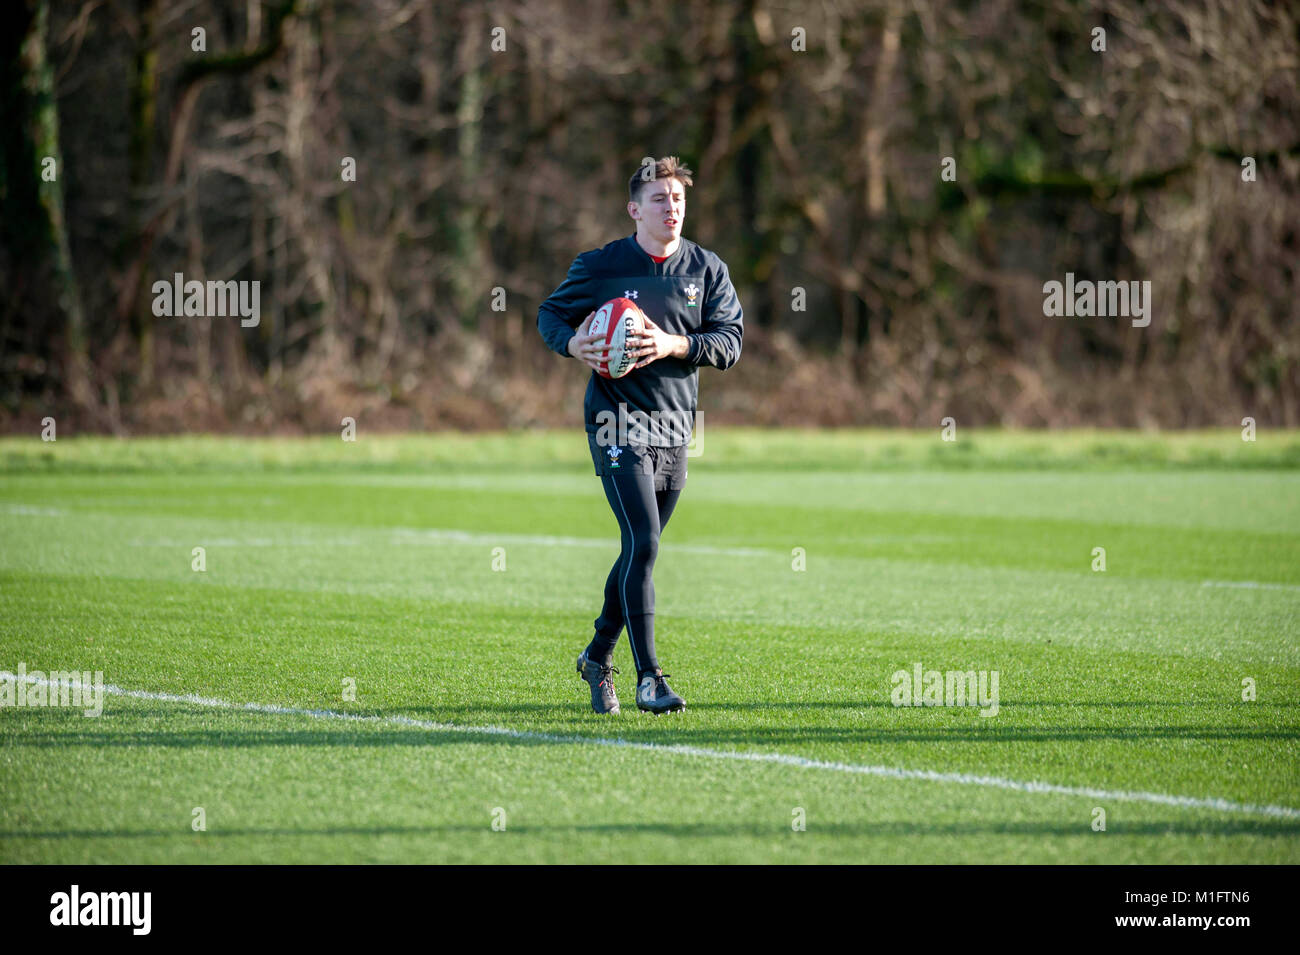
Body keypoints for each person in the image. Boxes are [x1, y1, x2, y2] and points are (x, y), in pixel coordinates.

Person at [536, 156, 744, 714]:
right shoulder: (601, 266)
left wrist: (673, 343)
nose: (671, 208)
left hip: (678, 427)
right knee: (645, 543)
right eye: (659, 199)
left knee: (638, 550)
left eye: (677, 199)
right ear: (634, 209)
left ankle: (597, 656)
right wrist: (572, 344)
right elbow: (550, 314)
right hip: (615, 423)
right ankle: (649, 677)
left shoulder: (707, 269)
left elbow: (730, 342)